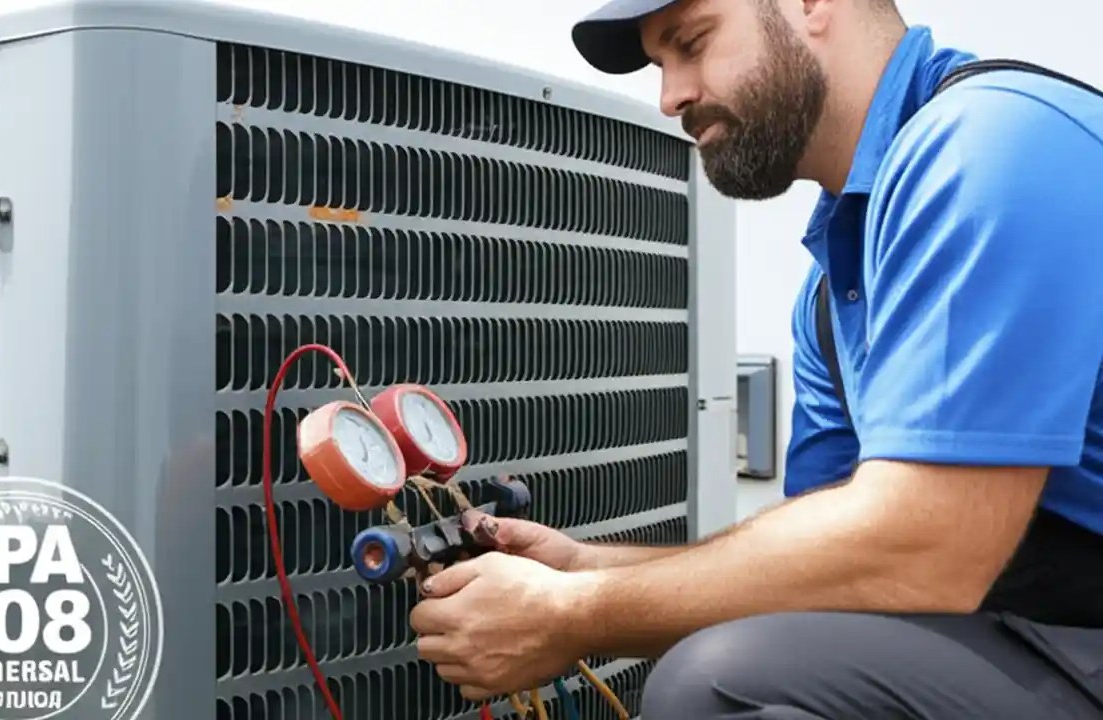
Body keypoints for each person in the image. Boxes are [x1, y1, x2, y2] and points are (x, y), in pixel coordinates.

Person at [408, 0, 1103, 717]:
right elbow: (835, 570)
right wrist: (585, 568)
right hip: (1037, 638)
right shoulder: (837, 286)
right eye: (660, 65)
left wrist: (577, 611)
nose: (670, 95)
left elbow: (925, 547)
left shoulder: (993, 143)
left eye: (693, 42)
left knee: (719, 682)